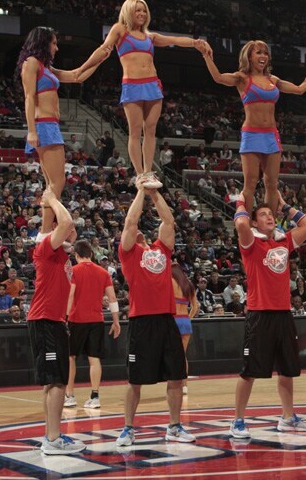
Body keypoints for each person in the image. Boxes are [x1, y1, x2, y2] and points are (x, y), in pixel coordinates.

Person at [75, 0, 210, 188]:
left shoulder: (149, 36)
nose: (142, 14)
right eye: (137, 10)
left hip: (153, 85)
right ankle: (139, 174)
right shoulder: (120, 30)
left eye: (144, 10)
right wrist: (81, 69)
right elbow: (103, 49)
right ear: (129, 11)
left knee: (150, 131)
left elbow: (174, 40)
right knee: (135, 132)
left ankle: (148, 172)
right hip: (132, 85)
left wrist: (196, 42)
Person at [229, 190, 306, 438]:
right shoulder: (251, 242)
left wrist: (285, 207)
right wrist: (242, 201)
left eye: (270, 214)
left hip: (283, 315)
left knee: (287, 370)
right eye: (263, 214)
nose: (269, 217)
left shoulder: (283, 241)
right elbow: (241, 224)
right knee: (249, 372)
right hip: (260, 316)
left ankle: (288, 418)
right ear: (255, 222)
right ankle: (238, 420)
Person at [116, 177, 194, 446]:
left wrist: (154, 193)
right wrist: (140, 191)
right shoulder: (128, 255)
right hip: (141, 322)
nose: (138, 233)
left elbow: (168, 222)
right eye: (135, 234)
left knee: (176, 377)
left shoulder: (161, 250)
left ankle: (174, 426)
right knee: (134, 380)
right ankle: (128, 428)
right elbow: (130, 222)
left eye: (141, 233)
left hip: (166, 320)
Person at [200, 40, 306, 210]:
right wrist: (206, 56)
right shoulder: (242, 78)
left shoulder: (273, 79)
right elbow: (218, 78)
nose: (263, 56)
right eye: (259, 52)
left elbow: (299, 89)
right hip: (252, 134)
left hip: (271, 135)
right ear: (249, 57)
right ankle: (247, 222)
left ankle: (270, 223)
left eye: (266, 53)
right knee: (251, 184)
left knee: (272, 183)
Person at [16, 26, 96, 234]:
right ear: (43, 42)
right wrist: (31, 131)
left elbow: (77, 76)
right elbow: (28, 97)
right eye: (53, 43)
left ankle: (46, 231)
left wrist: (101, 56)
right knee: (58, 181)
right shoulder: (31, 63)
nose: (56, 48)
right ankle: (44, 232)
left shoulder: (47, 67)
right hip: (43, 125)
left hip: (50, 125)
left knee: (53, 184)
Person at [26, 189, 86, 455]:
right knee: (58, 381)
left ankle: (51, 436)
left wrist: (49, 203)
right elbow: (66, 222)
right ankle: (52, 439)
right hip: (45, 320)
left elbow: (65, 225)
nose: (73, 231)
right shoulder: (45, 249)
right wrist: (51, 199)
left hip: (52, 321)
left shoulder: (61, 255)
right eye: (68, 230)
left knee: (53, 382)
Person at [65, 239, 121, 409]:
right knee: (94, 359)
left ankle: (69, 395)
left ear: (76, 255)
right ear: (90, 253)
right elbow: (112, 298)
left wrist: (65, 317)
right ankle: (95, 396)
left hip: (76, 319)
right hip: (97, 320)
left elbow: (70, 295)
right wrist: (116, 321)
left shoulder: (73, 271)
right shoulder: (103, 272)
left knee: (70, 357)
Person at [171, 263, 199, 396]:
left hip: (173, 321)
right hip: (185, 321)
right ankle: (185, 386)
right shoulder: (189, 285)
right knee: (182, 355)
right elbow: (195, 307)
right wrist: (188, 318)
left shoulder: (170, 282)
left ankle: (174, 384)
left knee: (172, 355)